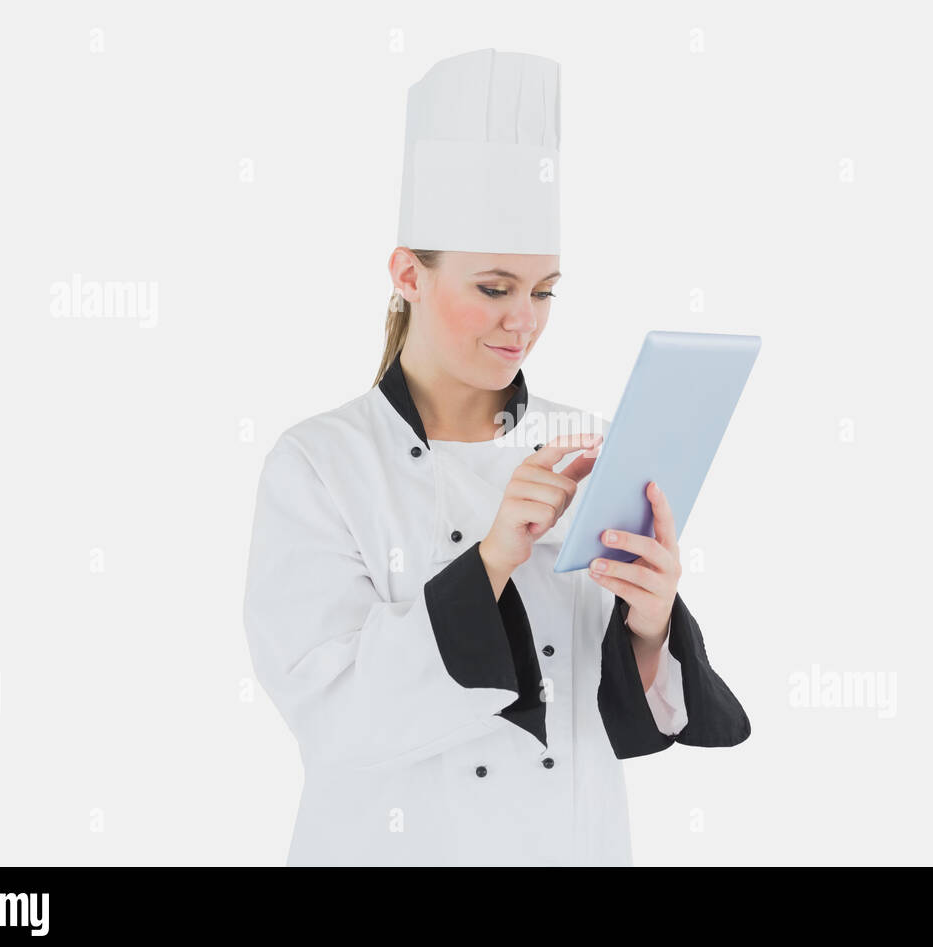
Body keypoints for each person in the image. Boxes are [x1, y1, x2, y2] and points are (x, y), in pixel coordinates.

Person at [242, 48, 749, 866]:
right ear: (408, 273)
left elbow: (612, 712)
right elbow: (334, 716)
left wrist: (650, 621)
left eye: (544, 291)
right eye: (493, 287)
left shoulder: (586, 441)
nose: (524, 321)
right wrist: (492, 560)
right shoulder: (319, 465)